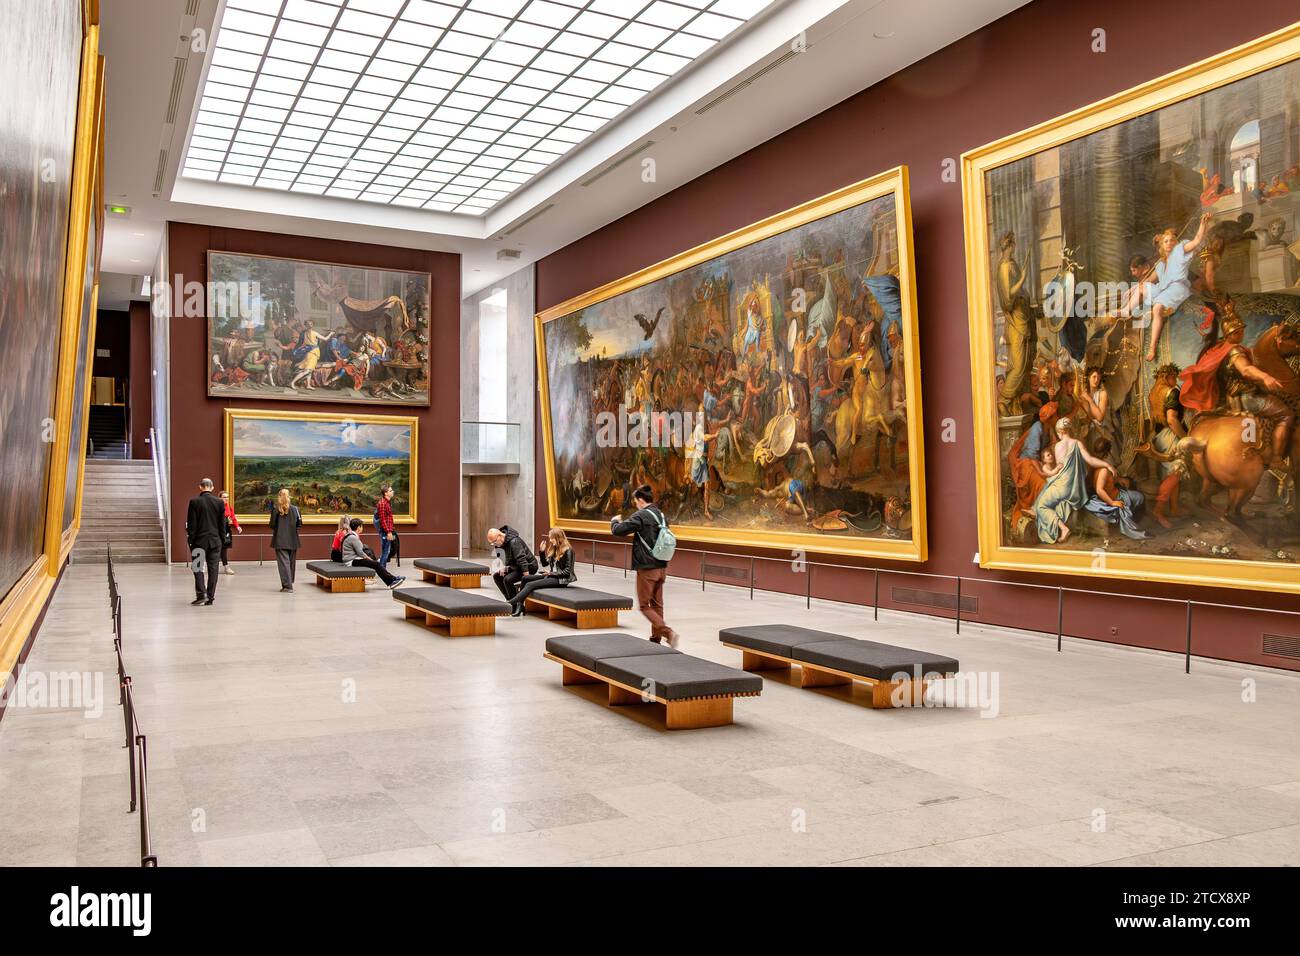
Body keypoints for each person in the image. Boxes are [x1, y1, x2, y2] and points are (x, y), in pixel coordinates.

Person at [610, 485, 678, 647]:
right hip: (662, 567)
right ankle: (656, 639)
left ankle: (668, 632)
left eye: (635, 502)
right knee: (657, 604)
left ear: (641, 500)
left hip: (647, 568)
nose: (636, 505)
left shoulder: (641, 515)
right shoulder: (661, 516)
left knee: (644, 605)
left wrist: (614, 521)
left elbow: (618, 531)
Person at [508, 528, 576, 617]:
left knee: (530, 585)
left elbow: (568, 572)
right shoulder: (555, 549)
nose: (550, 541)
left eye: (552, 538)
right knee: (525, 578)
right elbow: (544, 564)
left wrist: (551, 573)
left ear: (558, 537)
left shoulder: (568, 550)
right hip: (553, 576)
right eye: (550, 538)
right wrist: (542, 552)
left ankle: (512, 602)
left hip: (561, 580)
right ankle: (520, 606)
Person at [185, 478, 228, 606]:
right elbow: (222, 525)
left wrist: (191, 541)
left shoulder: (194, 502)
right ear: (212, 487)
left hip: (199, 542)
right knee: (213, 569)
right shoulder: (219, 503)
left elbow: (192, 525)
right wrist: (222, 540)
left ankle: (201, 594)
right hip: (215, 542)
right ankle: (210, 597)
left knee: (198, 568)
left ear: (200, 487)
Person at [341, 518, 405, 588]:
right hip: (351, 561)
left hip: (352, 560)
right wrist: (370, 559)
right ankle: (391, 582)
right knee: (376, 564)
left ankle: (393, 578)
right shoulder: (353, 538)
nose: (362, 528)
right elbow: (360, 553)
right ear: (359, 527)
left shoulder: (350, 535)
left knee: (375, 563)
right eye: (361, 526)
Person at [486, 526, 538, 601]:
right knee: (497, 577)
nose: (494, 544)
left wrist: (527, 578)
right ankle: (510, 600)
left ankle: (515, 603)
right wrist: (504, 567)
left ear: (500, 536)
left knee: (507, 579)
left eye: (494, 542)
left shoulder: (514, 541)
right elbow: (502, 557)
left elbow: (521, 559)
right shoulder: (500, 544)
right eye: (492, 543)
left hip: (529, 566)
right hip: (516, 566)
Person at [268, 488, 303, 592]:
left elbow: (272, 525)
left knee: (284, 564)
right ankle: (289, 583)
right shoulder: (296, 509)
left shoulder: (276, 509)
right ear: (289, 496)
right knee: (291, 563)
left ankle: (287, 587)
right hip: (293, 539)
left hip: (280, 539)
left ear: (279, 497)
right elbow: (299, 524)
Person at [218, 490, 242, 575]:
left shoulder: (228, 506)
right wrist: (224, 520)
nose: (226, 499)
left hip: (225, 530)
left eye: (227, 497)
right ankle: (206, 566)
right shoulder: (216, 506)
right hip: (217, 531)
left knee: (224, 549)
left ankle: (226, 567)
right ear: (220, 498)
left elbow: (233, 517)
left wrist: (237, 526)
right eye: (224, 497)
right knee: (215, 549)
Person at [374, 483, 396, 567]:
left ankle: (382, 569)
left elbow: (388, 518)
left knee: (386, 550)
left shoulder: (387, 502)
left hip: (387, 530)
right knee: (385, 551)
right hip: (385, 531)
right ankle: (382, 570)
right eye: (391, 490)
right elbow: (383, 520)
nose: (393, 491)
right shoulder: (383, 504)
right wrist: (388, 532)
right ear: (386, 493)